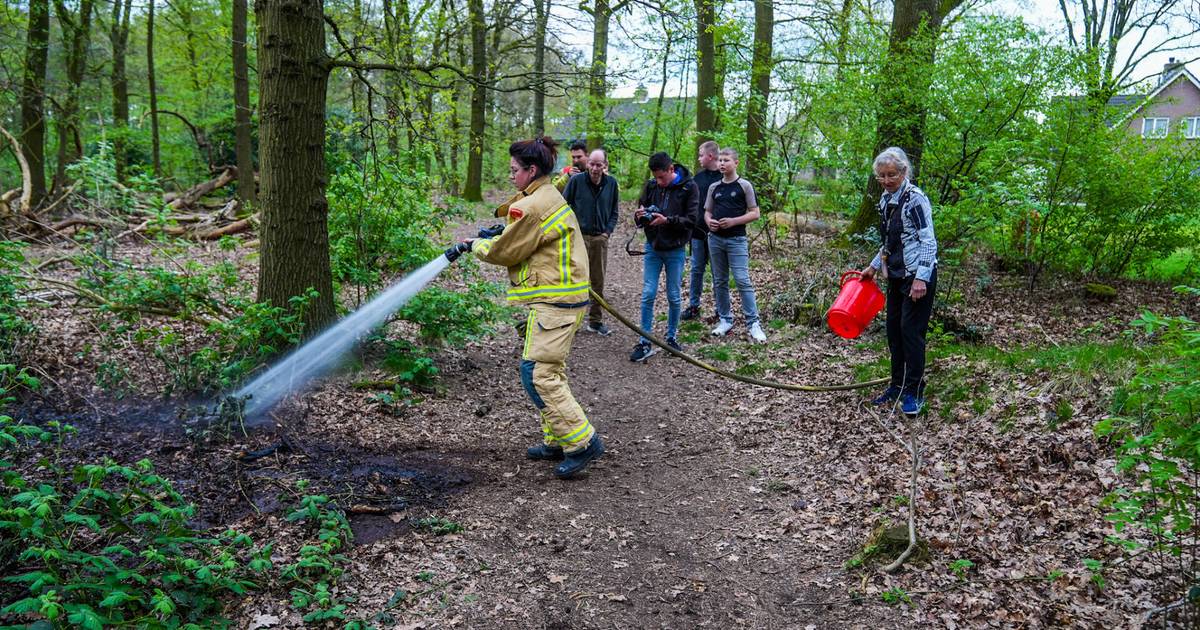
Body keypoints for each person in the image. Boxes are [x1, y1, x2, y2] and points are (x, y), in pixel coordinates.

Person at [465, 136, 604, 478]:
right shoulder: (540, 196)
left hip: (557, 301)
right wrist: (502, 231)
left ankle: (582, 443)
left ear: (532, 170)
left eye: (514, 170)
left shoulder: (533, 206)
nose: (510, 176)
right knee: (544, 371)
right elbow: (526, 236)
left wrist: (476, 245)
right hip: (553, 299)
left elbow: (505, 253)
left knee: (540, 374)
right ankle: (556, 438)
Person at [860, 146, 938, 416]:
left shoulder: (916, 199)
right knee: (893, 331)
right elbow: (889, 241)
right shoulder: (885, 199)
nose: (886, 180)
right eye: (881, 175)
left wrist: (921, 278)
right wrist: (872, 267)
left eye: (891, 175)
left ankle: (915, 392)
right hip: (894, 274)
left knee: (910, 332)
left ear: (904, 172)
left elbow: (928, 241)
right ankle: (897, 384)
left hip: (917, 276)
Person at [630, 152, 700, 362]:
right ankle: (644, 340)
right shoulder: (652, 186)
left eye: (662, 177)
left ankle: (671, 337)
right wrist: (640, 216)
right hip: (653, 246)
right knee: (648, 293)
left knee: (673, 295)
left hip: (675, 249)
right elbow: (642, 210)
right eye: (656, 178)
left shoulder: (690, 187)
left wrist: (667, 220)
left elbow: (692, 220)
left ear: (671, 169)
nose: (659, 182)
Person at [704, 148, 766, 343]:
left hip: (736, 240)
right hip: (715, 239)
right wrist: (709, 222)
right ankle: (725, 319)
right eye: (720, 160)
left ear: (736, 163)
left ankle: (753, 323)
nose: (722, 163)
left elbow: (755, 213)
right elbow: (707, 212)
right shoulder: (714, 187)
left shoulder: (744, 186)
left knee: (742, 280)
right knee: (719, 280)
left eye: (726, 160)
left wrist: (734, 221)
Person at [562, 148, 619, 336]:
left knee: (598, 281)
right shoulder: (576, 181)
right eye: (592, 164)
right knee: (576, 280)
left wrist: (607, 233)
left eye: (599, 164)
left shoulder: (611, 184)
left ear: (605, 165)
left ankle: (595, 321)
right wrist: (571, 230)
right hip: (578, 238)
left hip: (599, 240)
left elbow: (614, 212)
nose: (595, 168)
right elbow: (563, 206)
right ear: (588, 164)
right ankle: (572, 321)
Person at [684, 141, 722, 321]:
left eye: (701, 155)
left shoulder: (724, 178)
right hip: (698, 233)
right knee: (696, 269)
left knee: (718, 272)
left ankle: (720, 309)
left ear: (710, 156)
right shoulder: (696, 179)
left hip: (718, 235)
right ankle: (693, 306)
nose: (699, 158)